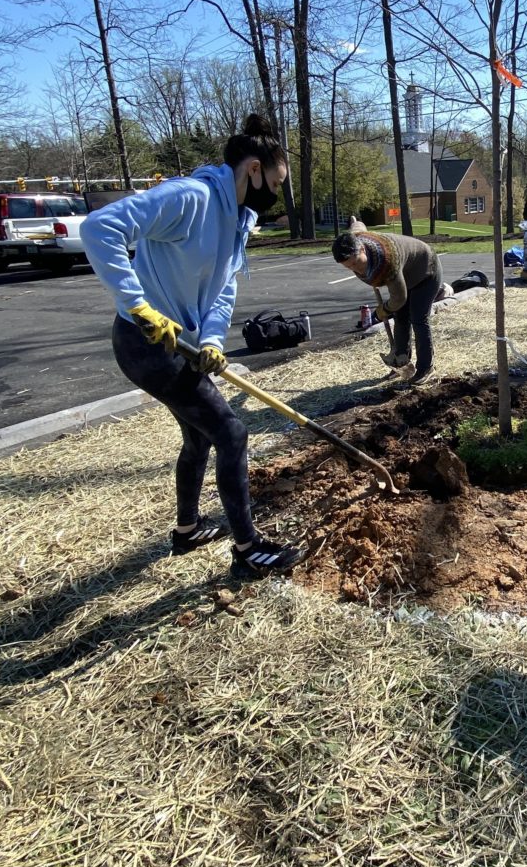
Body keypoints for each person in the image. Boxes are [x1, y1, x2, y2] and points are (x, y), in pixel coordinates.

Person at [81, 114, 304, 581]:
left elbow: (222, 290)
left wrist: (212, 340)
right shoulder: (192, 197)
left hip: (183, 344)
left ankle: (187, 530)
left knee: (200, 435)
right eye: (277, 181)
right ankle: (248, 549)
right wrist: (138, 305)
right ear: (254, 169)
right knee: (232, 433)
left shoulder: (239, 219)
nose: (277, 194)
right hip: (146, 341)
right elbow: (101, 227)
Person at [331, 217, 440, 384]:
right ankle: (401, 363)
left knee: (418, 318)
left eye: (355, 262)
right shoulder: (355, 238)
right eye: (348, 267)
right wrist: (355, 220)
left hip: (426, 270)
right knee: (401, 318)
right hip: (406, 273)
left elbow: (399, 297)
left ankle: (426, 368)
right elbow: (358, 226)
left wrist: (384, 310)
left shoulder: (388, 261)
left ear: (362, 249)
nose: (355, 269)